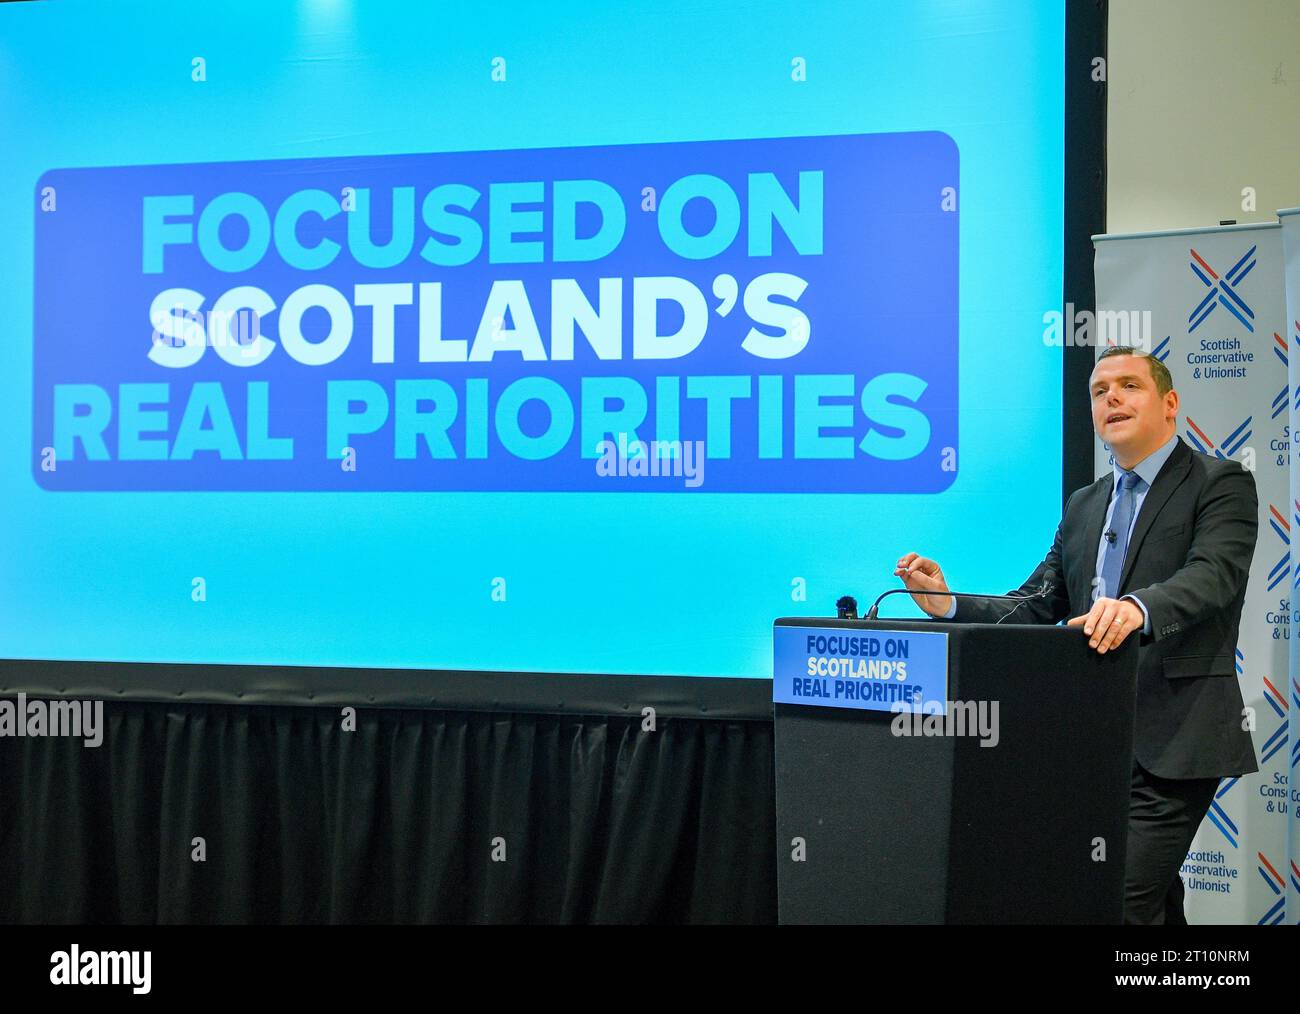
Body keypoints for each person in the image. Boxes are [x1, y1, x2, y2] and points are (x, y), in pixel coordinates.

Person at [894, 345, 1258, 924]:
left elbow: (1213, 575)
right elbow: (1038, 604)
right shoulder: (1085, 504)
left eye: (1128, 386)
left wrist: (1136, 608)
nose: (1111, 397)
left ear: (1169, 404)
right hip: (1090, 739)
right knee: (1152, 905)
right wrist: (947, 602)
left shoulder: (1220, 482)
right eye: (1098, 391)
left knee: (1114, 904)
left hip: (1174, 738)